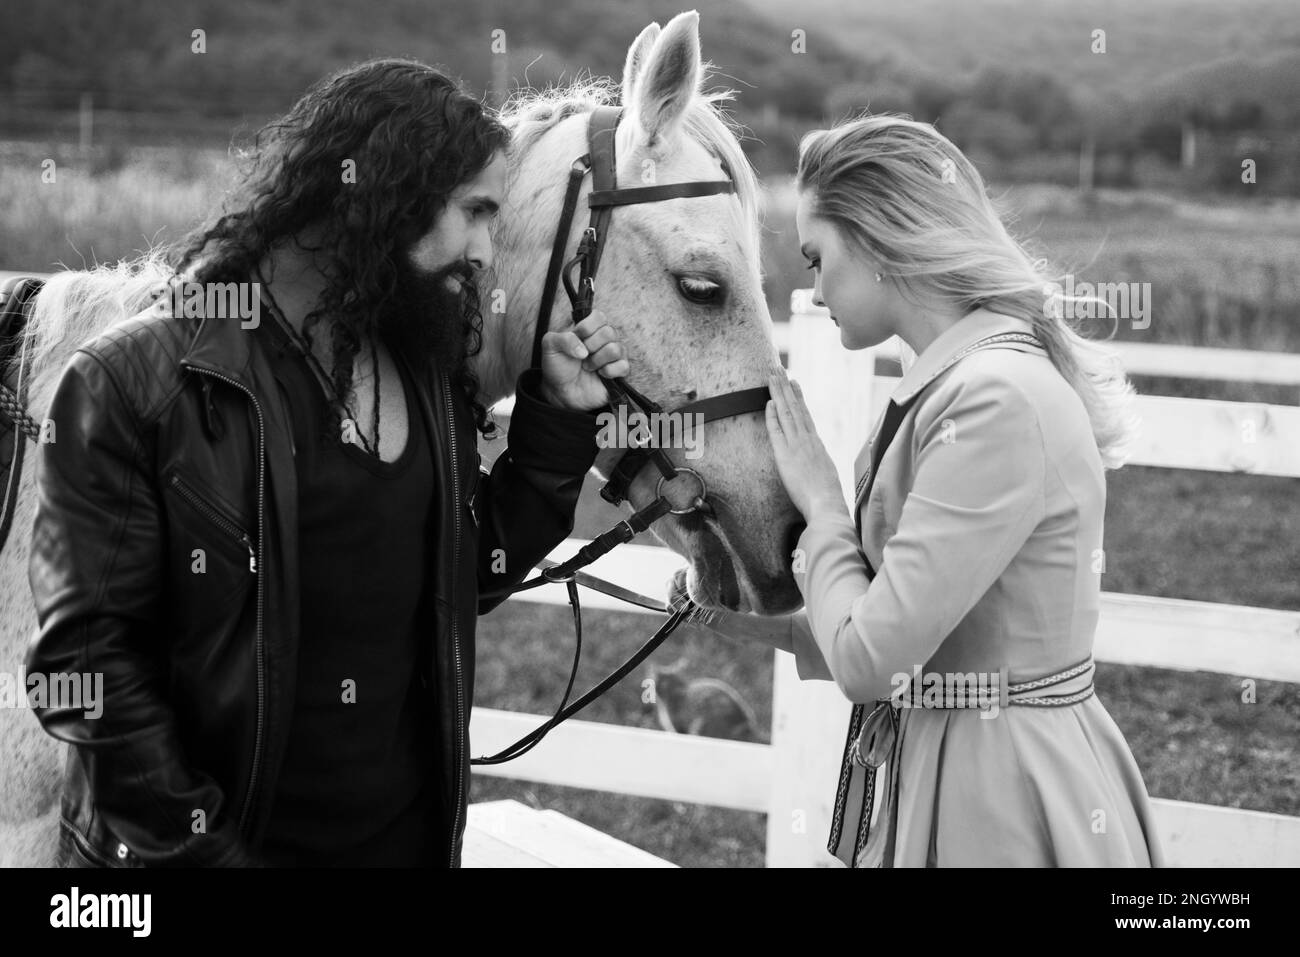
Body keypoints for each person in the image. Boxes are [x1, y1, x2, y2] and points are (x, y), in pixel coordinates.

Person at [25, 58, 628, 868]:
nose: (486, 251)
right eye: (475, 211)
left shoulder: (421, 369)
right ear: (384, 191)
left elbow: (468, 571)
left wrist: (555, 421)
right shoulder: (135, 383)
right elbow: (85, 672)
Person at [674, 114, 1163, 867]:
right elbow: (905, 628)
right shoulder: (961, 386)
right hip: (955, 765)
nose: (813, 286)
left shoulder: (995, 401)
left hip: (1001, 794)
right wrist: (738, 617)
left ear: (874, 240)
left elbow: (873, 659)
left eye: (816, 258)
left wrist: (826, 510)